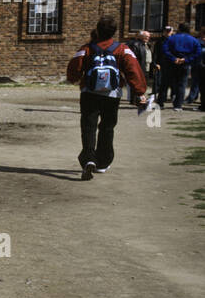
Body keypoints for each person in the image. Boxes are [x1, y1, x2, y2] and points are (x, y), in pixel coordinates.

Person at [65, 15, 147, 179]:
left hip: (89, 93)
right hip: (112, 94)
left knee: (89, 126)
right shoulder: (122, 49)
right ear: (114, 31)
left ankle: (89, 158)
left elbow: (73, 70)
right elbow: (133, 70)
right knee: (107, 127)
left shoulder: (87, 48)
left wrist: (75, 79)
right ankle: (103, 161)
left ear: (98, 29)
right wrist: (140, 91)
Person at [161, 24, 202, 111]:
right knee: (182, 84)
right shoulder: (194, 40)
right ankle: (178, 105)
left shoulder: (171, 38)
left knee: (165, 82)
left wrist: (173, 58)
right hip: (185, 63)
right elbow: (197, 52)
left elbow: (165, 49)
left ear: (179, 29)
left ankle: (161, 102)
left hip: (171, 63)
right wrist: (186, 59)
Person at [127, 30, 151, 106]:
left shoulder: (146, 45)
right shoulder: (136, 44)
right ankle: (135, 100)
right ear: (141, 36)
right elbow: (134, 57)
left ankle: (140, 99)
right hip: (139, 67)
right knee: (137, 83)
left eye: (148, 36)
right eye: (146, 36)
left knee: (143, 84)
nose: (148, 38)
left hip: (146, 67)